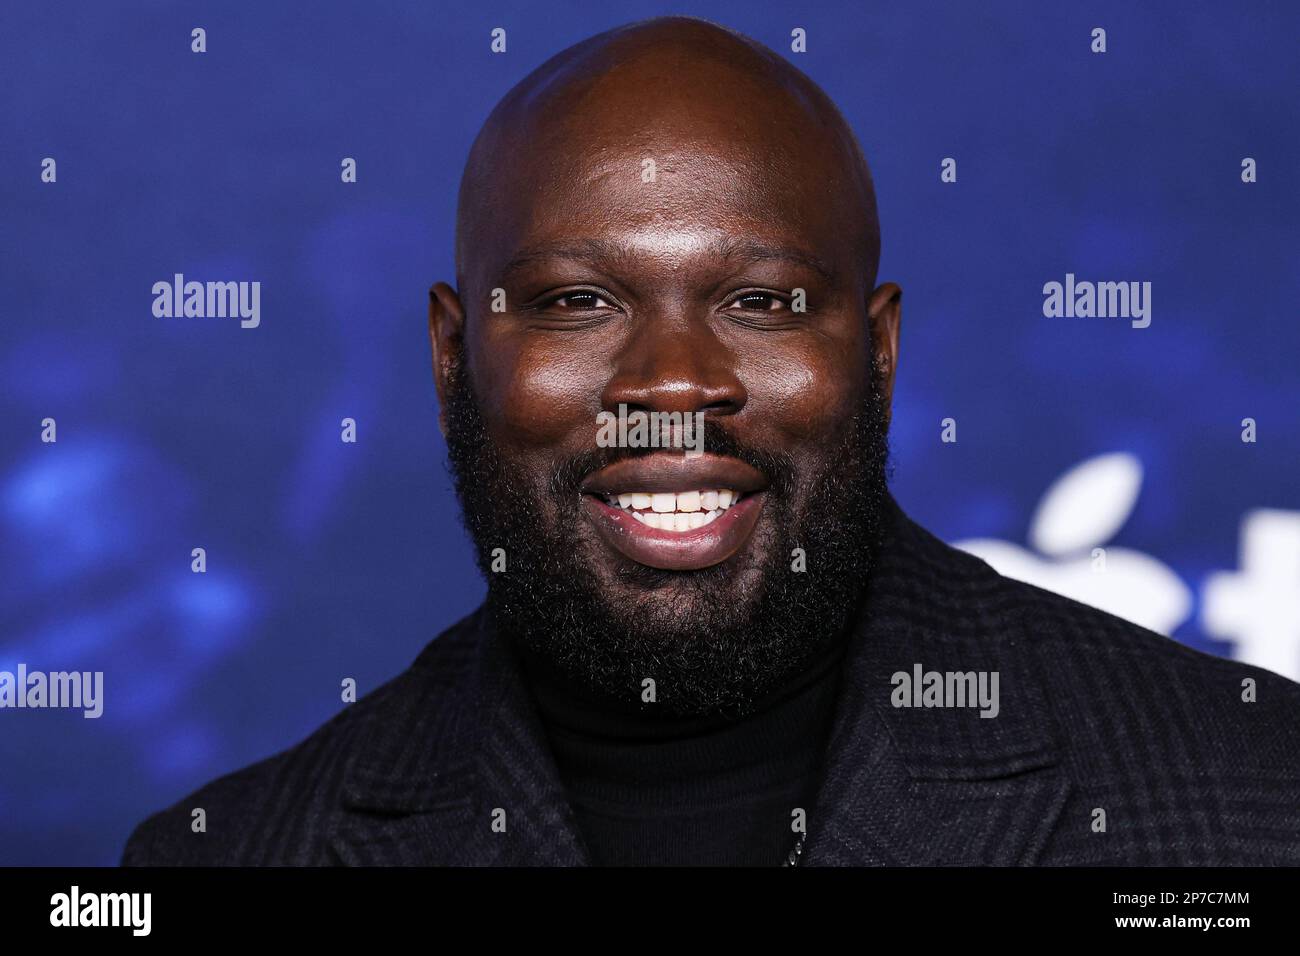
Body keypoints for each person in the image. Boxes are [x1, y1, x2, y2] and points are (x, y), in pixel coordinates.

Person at [122, 15, 1300, 867]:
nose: (672, 384)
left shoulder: (1253, 802)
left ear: (879, 352)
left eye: (765, 302)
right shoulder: (228, 855)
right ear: (449, 358)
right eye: (577, 302)